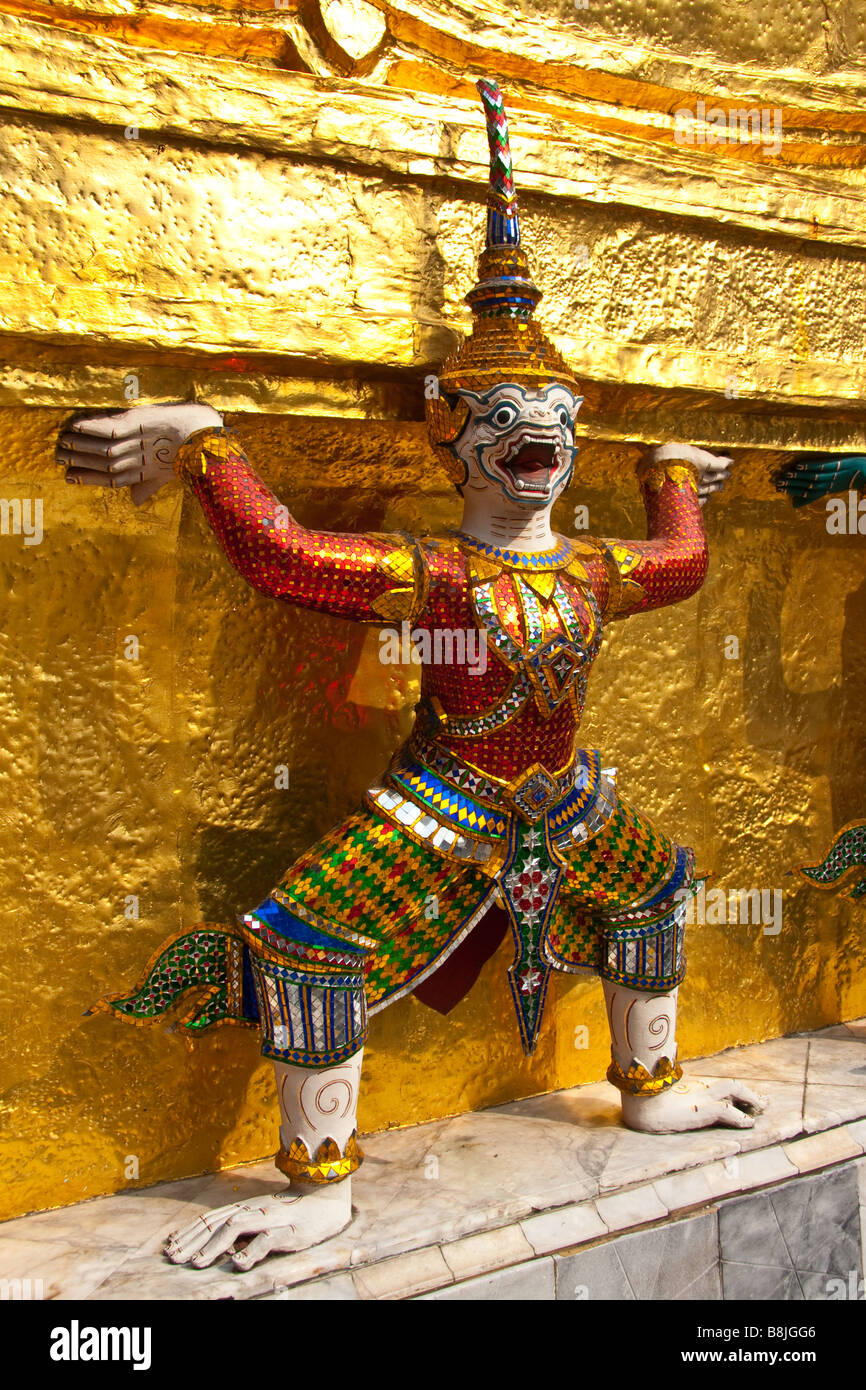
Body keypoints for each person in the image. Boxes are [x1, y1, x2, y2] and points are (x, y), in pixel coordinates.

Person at [58, 79, 763, 1271]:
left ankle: (647, 1087)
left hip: (564, 797)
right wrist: (205, 438)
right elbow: (279, 555)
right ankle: (320, 1183)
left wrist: (671, 474)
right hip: (441, 803)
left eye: (550, 420)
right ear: (453, 432)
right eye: (504, 417)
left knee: (650, 890)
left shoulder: (594, 569)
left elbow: (684, 566)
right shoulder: (426, 569)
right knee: (303, 938)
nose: (532, 442)